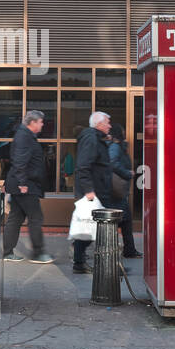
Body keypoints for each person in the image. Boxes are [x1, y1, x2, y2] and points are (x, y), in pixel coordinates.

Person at [2, 110, 49, 263]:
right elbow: (20, 161)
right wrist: (22, 183)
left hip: (23, 183)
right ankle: (38, 253)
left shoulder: (25, 135)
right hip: (25, 185)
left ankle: (8, 253)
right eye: (41, 122)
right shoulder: (24, 136)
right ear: (33, 123)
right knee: (36, 217)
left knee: (15, 217)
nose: (42, 124)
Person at [70, 111, 114, 274]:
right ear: (99, 124)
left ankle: (82, 261)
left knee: (92, 227)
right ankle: (81, 262)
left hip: (98, 190)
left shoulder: (96, 138)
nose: (110, 125)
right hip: (93, 192)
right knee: (90, 227)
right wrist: (89, 191)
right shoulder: (91, 138)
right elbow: (83, 166)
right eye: (107, 122)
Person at [107, 122, 140, 259]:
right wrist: (127, 173)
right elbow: (113, 163)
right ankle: (122, 251)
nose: (125, 132)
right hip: (116, 192)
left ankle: (129, 250)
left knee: (126, 222)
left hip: (119, 191)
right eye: (123, 130)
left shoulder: (119, 147)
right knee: (120, 222)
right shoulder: (115, 147)